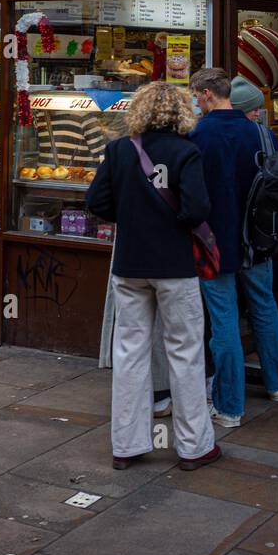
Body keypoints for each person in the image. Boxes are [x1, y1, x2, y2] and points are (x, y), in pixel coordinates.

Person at [86, 81, 221, 471]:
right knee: (186, 353)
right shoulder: (186, 152)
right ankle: (194, 447)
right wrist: (173, 222)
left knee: (129, 354)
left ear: (140, 111)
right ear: (182, 112)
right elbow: (197, 208)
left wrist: (130, 217)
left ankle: (126, 445)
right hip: (175, 266)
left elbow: (95, 201)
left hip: (130, 264)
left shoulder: (118, 149)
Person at [189, 67, 278, 428]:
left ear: (208, 94)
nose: (194, 101)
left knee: (223, 321)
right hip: (257, 240)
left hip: (212, 243)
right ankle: (276, 380)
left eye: (196, 94)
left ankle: (228, 407)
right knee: (263, 307)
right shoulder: (262, 135)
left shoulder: (195, 136)